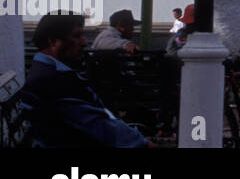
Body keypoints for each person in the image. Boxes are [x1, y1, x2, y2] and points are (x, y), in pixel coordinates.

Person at [18, 12, 149, 148]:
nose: (84, 43)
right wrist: (143, 143)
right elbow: (101, 126)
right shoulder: (54, 81)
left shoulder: (47, 71)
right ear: (53, 42)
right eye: (77, 36)